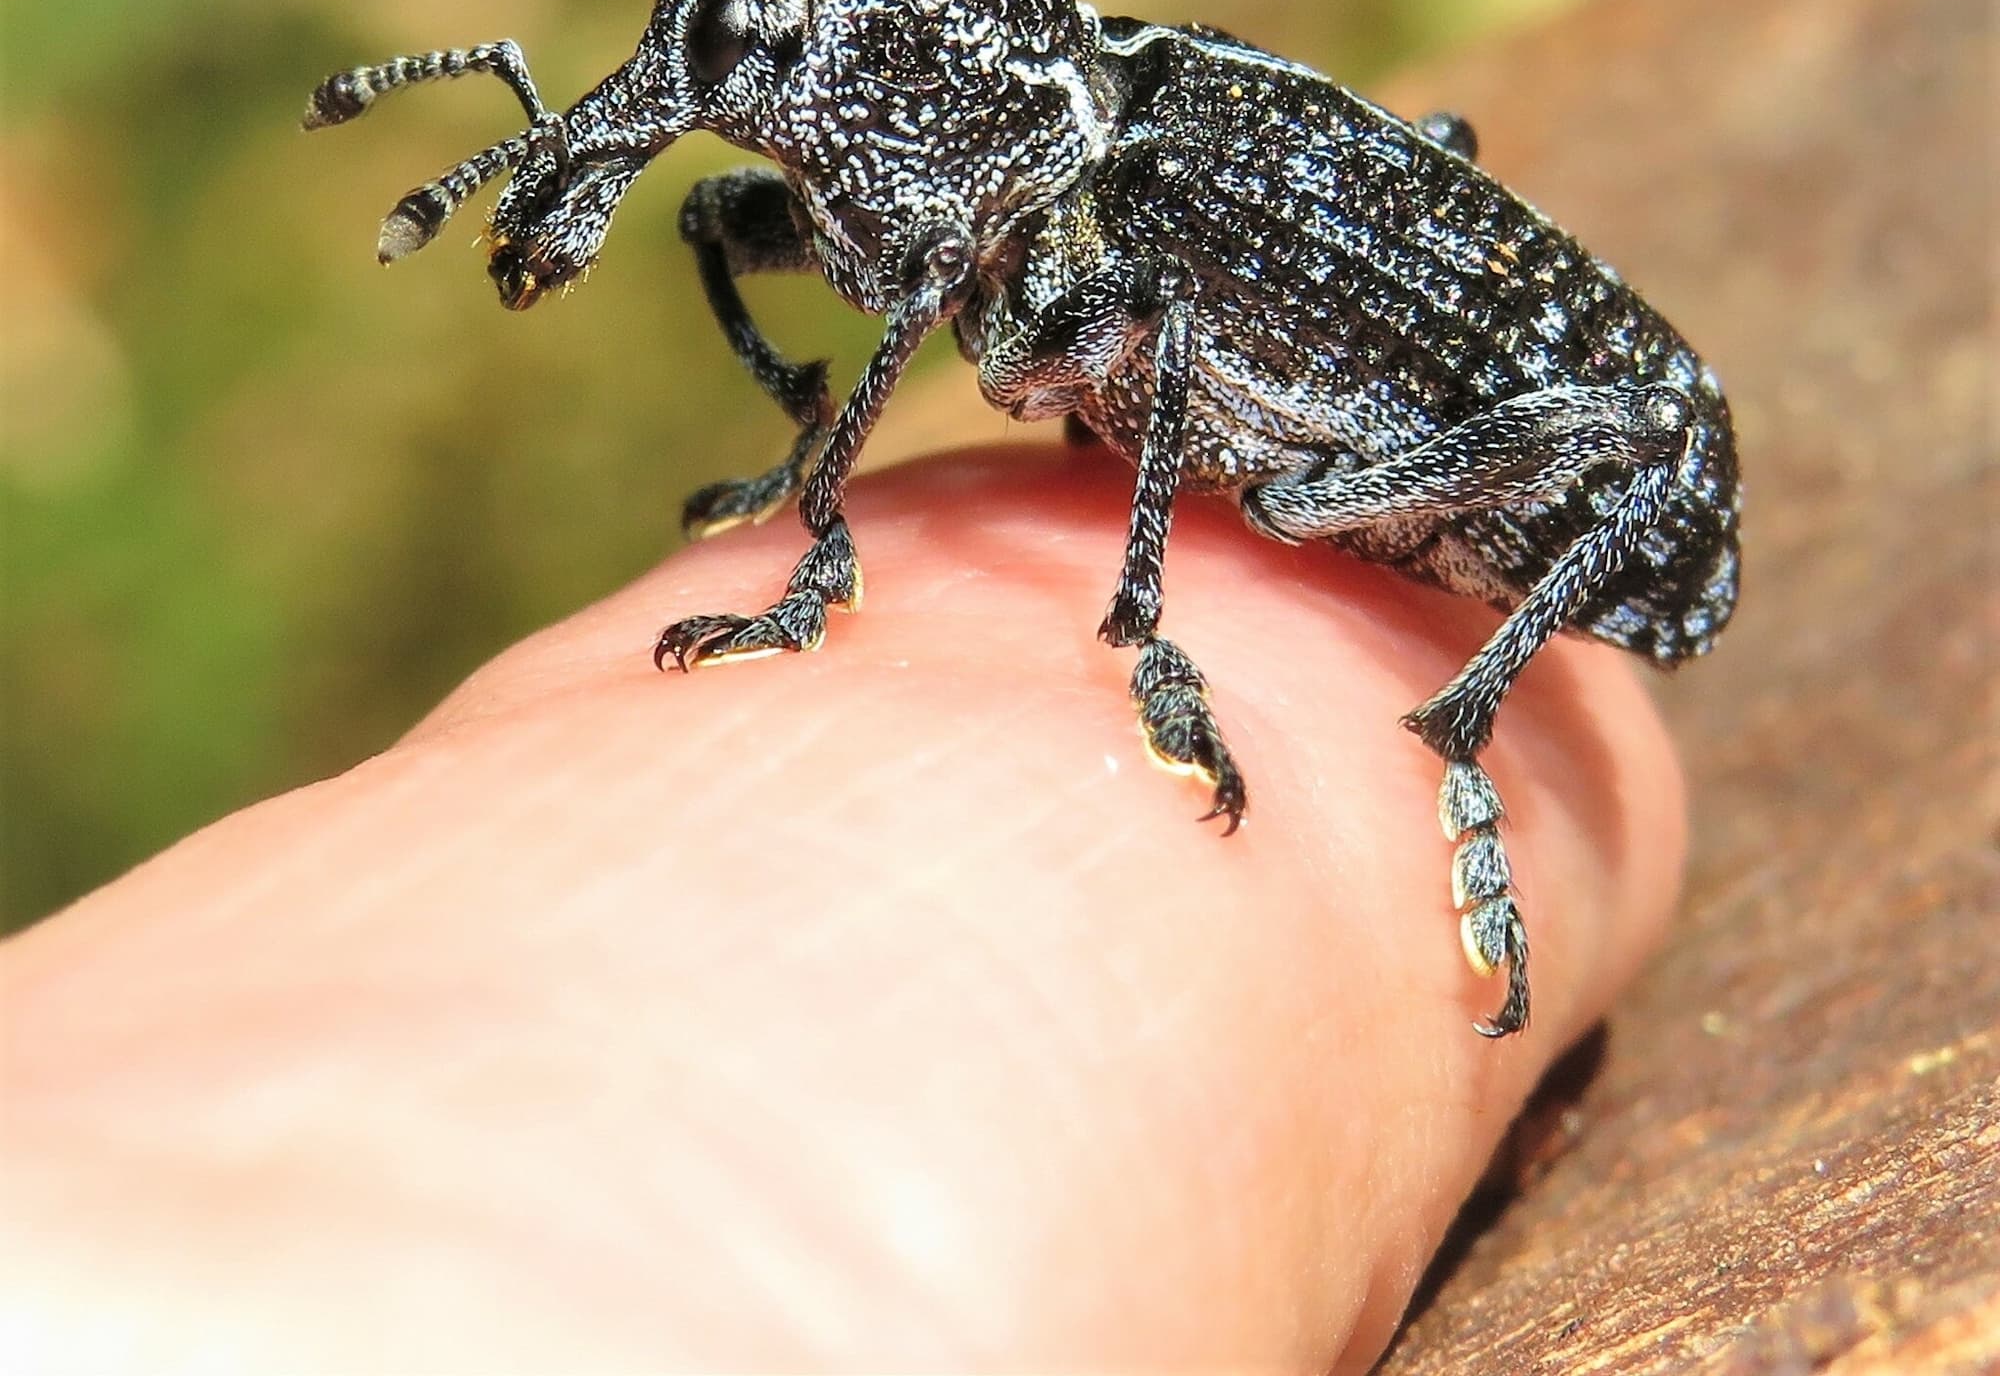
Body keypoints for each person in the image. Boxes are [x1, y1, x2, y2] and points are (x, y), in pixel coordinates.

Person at [0, 445, 1683, 1371]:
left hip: (1562, 468)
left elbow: (1166, 360)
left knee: (1182, 343)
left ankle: (1458, 740)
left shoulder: (1112, 217)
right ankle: (829, 523)